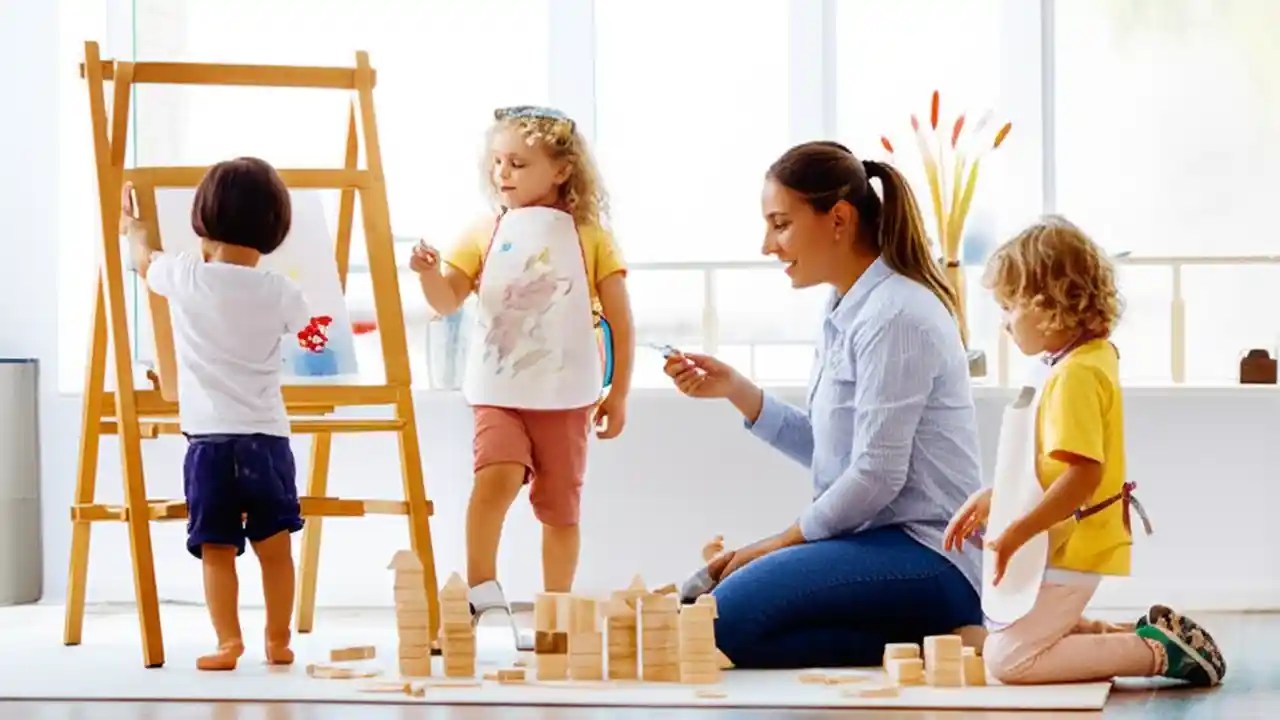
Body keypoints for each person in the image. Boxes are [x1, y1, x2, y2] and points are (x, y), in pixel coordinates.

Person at [664, 141, 984, 668]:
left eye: (780, 224)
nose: (767, 244)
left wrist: (779, 543)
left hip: (929, 555)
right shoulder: (844, 308)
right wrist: (737, 390)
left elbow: (877, 475)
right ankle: (932, 637)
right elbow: (834, 450)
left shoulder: (896, 315)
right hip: (874, 544)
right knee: (705, 619)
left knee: (719, 623)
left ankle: (950, 632)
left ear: (838, 219)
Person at [943, 216, 1228, 686]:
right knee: (996, 633)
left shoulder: (1075, 375)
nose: (1005, 321)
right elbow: (1044, 464)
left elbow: (1081, 476)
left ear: (1049, 305)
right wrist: (994, 497)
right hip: (1062, 538)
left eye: (1010, 305)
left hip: (1072, 544)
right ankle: (1107, 633)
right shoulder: (1076, 360)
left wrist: (1018, 530)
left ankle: (1154, 652)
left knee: (1006, 661)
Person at [410, 105, 635, 616]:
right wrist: (427, 273)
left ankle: (555, 608)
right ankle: (480, 595)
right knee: (496, 477)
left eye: (516, 163)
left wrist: (618, 392)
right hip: (498, 392)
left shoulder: (591, 238)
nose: (501, 174)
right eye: (496, 163)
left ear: (561, 170)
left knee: (559, 510)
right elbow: (447, 301)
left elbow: (621, 321)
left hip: (566, 398)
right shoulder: (482, 232)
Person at [123, 158, 311, 671]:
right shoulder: (280, 291)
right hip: (267, 441)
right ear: (276, 228)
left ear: (203, 218)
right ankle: (278, 639)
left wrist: (134, 228)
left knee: (217, 549)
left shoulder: (186, 276)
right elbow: (306, 328)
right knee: (276, 547)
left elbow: (144, 260)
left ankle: (229, 642)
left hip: (209, 443)